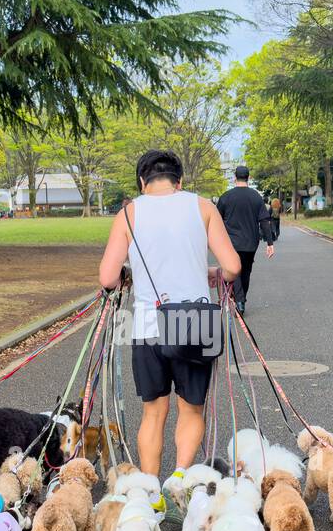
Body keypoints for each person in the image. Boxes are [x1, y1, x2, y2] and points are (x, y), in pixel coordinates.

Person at [98, 149, 241, 497]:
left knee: (153, 411)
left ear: (142, 181)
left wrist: (127, 277)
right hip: (195, 322)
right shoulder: (203, 206)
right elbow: (233, 267)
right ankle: (179, 478)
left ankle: (150, 492)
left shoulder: (129, 213)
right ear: (179, 181)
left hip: (147, 324)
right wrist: (211, 273)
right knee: (191, 408)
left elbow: (107, 277)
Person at [215, 165, 274, 314]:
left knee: (235, 271)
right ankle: (241, 299)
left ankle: (239, 300)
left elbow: (217, 220)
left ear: (235, 178)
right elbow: (264, 221)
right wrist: (270, 243)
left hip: (231, 242)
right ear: (249, 178)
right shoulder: (256, 197)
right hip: (250, 242)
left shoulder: (226, 197)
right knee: (246, 271)